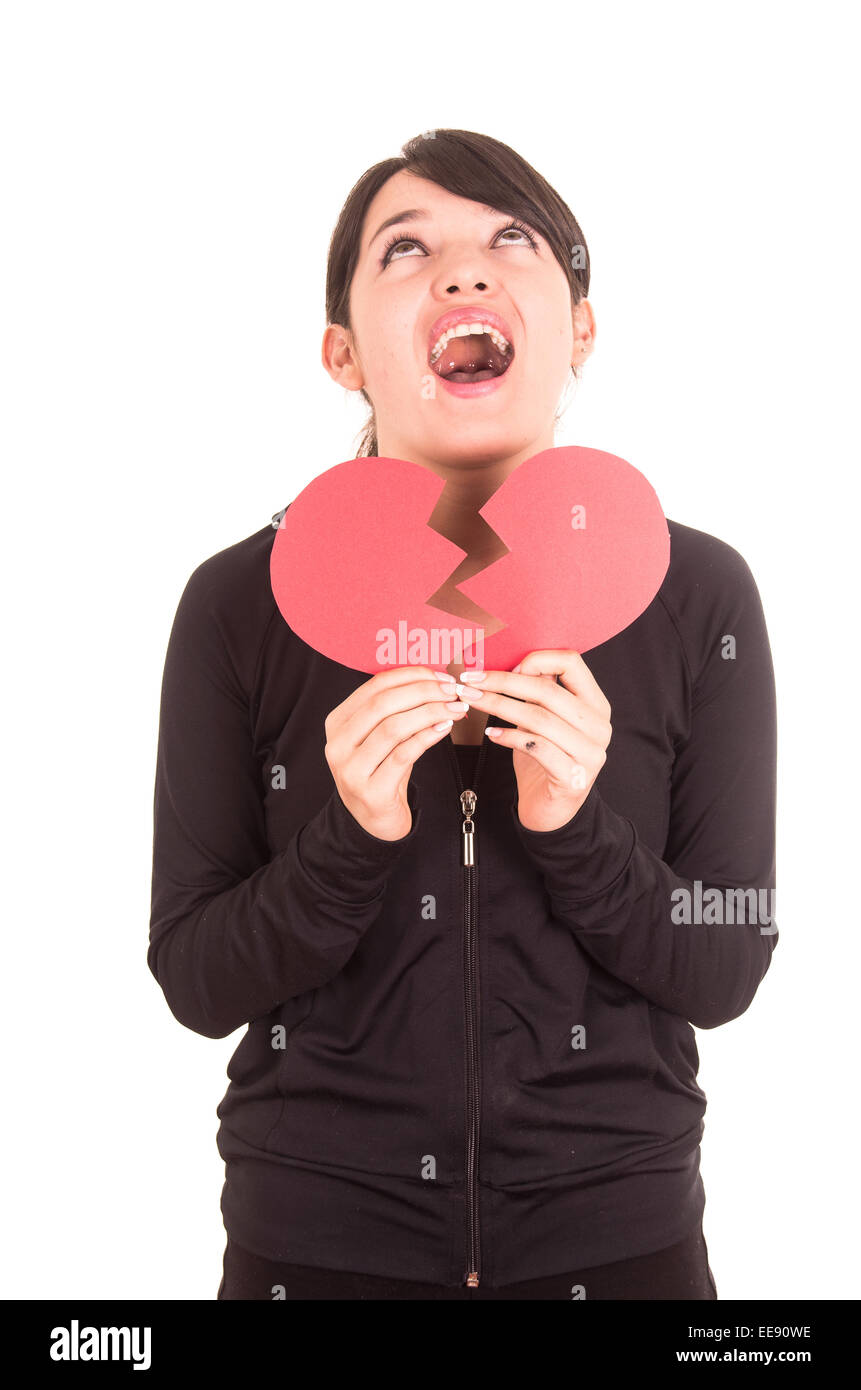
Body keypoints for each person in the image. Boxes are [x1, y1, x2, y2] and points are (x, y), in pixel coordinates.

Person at [148, 129, 777, 1301]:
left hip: (622, 1249)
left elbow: (729, 962)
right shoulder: (238, 601)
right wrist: (351, 837)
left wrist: (576, 825)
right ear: (343, 352)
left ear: (580, 328)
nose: (465, 271)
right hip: (314, 1250)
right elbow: (193, 975)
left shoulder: (699, 596)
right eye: (405, 249)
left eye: (510, 240)